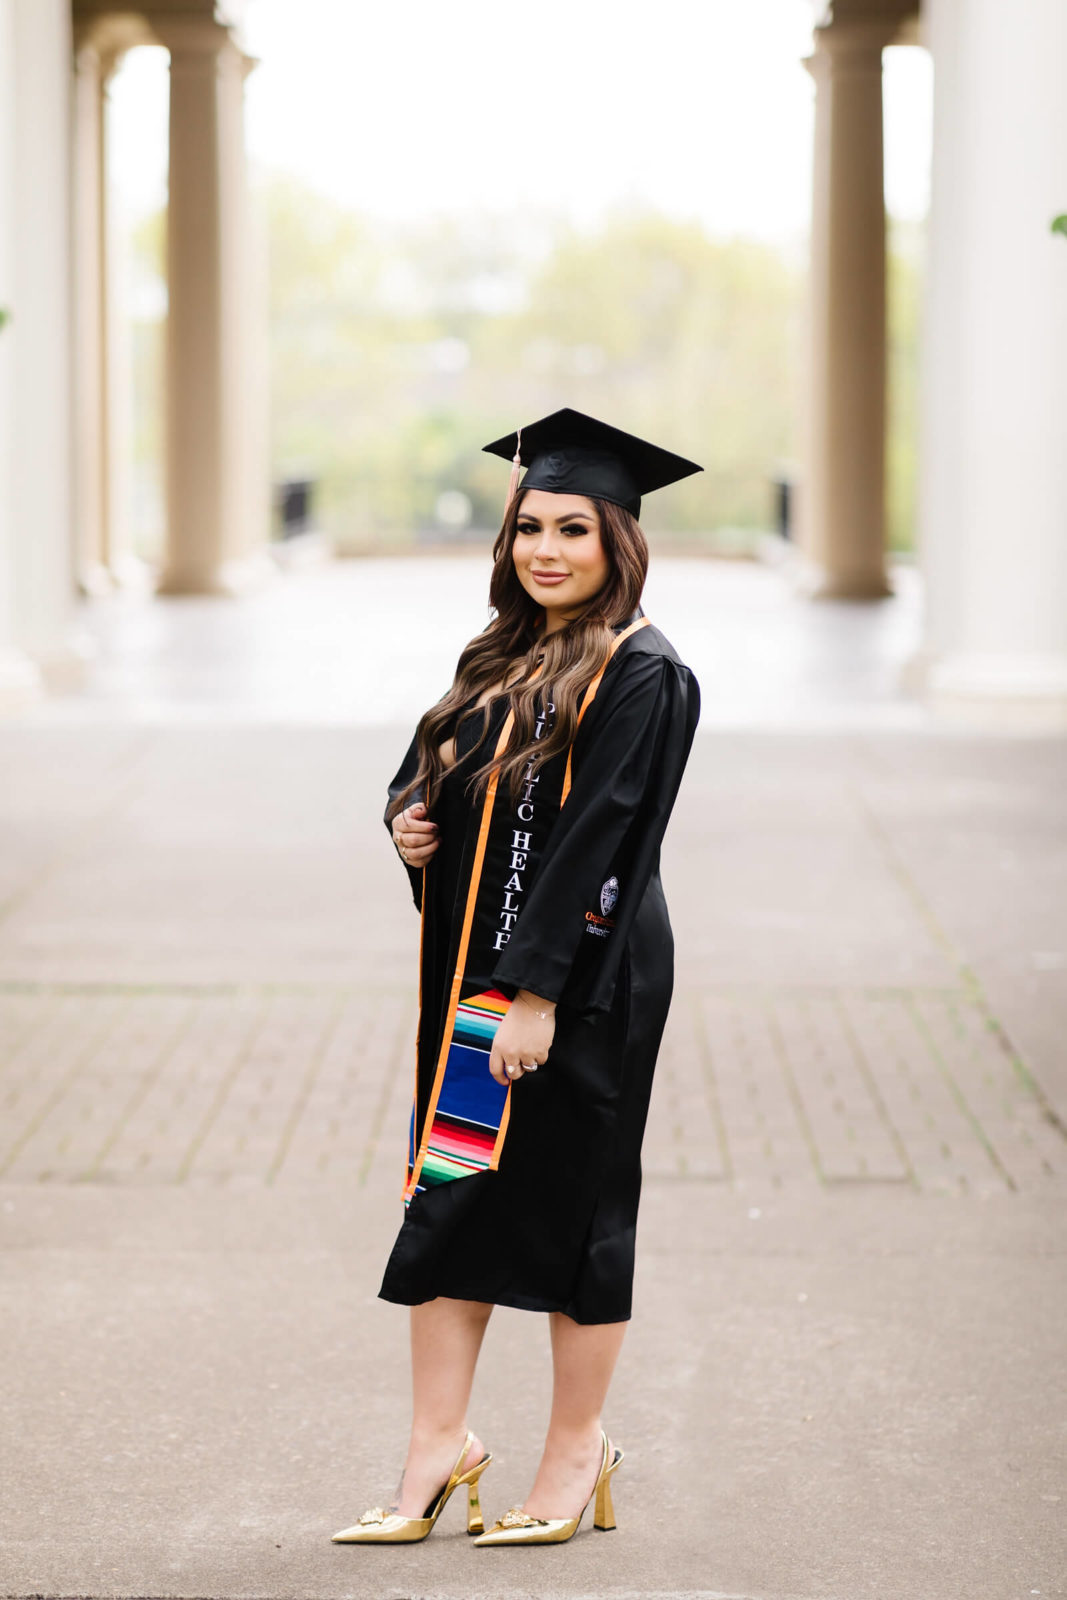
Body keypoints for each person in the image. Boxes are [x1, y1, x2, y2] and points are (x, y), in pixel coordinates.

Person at [332, 407, 702, 1548]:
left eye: (572, 529)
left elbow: (605, 837)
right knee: (450, 1188)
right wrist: (407, 822)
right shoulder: (496, 654)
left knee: (573, 1205)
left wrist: (537, 995)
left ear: (617, 540)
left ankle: (576, 1450)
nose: (545, 549)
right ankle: (437, 1447)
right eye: (530, 527)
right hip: (472, 973)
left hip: (578, 983)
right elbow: (425, 772)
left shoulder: (643, 673)